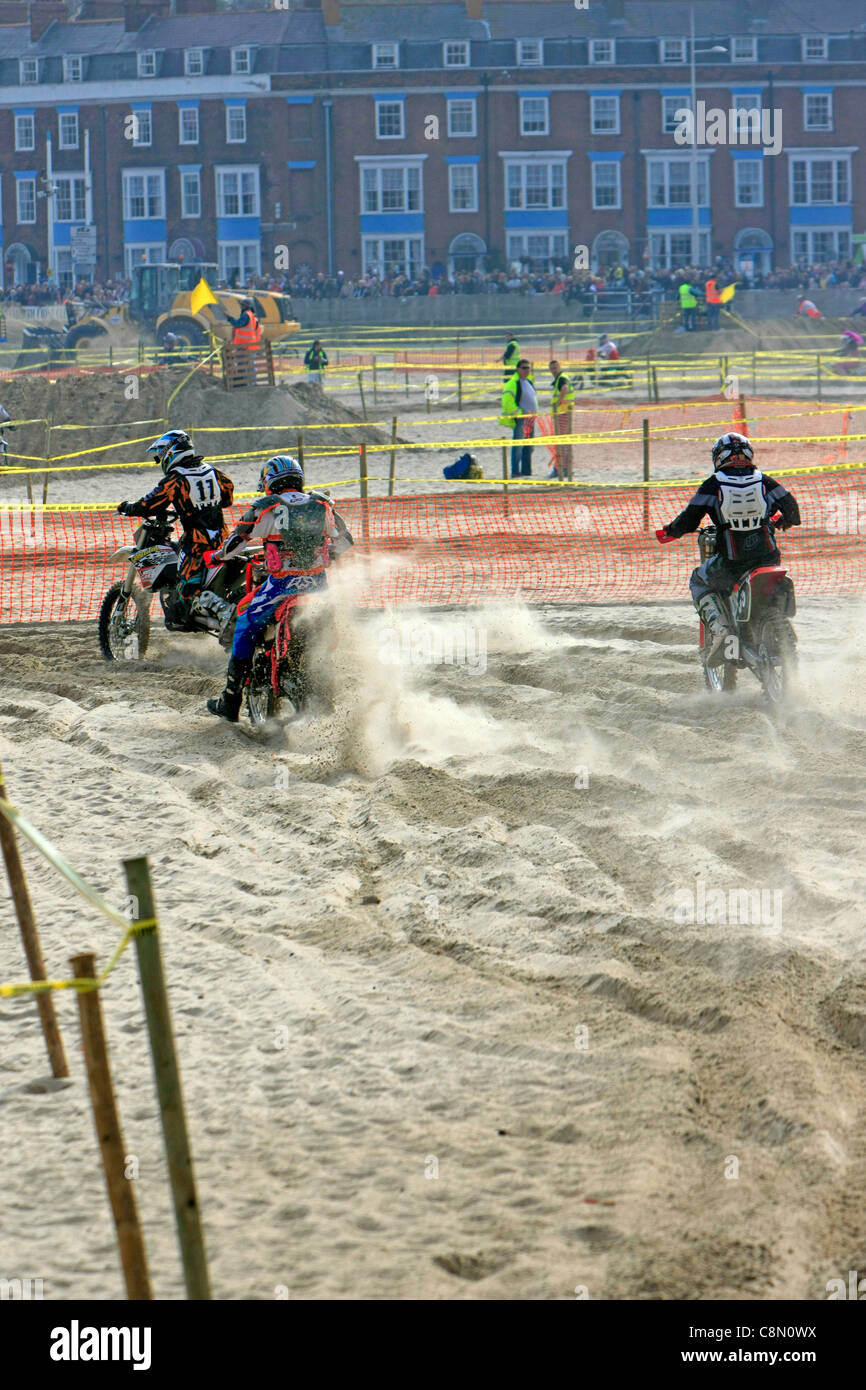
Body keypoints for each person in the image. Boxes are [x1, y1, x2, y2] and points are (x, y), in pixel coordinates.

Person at [206, 455, 353, 722]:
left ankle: (230, 699)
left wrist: (217, 557)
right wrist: (328, 552)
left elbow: (235, 542)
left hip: (280, 587)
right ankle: (324, 687)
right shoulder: (322, 504)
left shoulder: (266, 506)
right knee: (327, 632)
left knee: (245, 623)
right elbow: (344, 541)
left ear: (269, 482)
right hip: (319, 589)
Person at [655, 432, 801, 665]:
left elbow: (689, 520)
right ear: (749, 454)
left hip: (732, 563)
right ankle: (773, 629)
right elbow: (792, 509)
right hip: (768, 559)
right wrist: (784, 521)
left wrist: (670, 531)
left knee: (699, 580)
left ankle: (722, 630)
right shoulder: (765, 480)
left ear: (719, 457)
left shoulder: (713, 485)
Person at [117, 431, 234, 629]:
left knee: (186, 587)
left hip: (197, 542)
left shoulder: (176, 479)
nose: (161, 460)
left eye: (161, 455)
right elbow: (227, 498)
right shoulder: (214, 472)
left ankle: (219, 611)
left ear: (170, 452)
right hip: (223, 538)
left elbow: (149, 504)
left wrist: (127, 507)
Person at [500, 359, 537, 477]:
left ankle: (526, 471)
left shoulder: (529, 382)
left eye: (528, 368)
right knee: (518, 446)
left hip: (530, 419)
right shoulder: (513, 383)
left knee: (529, 447)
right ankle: (515, 472)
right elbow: (507, 401)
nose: (526, 370)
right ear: (518, 369)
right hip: (521, 419)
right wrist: (518, 413)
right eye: (524, 368)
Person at [548, 359, 575, 479]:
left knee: (561, 443)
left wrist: (558, 403)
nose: (554, 370)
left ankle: (562, 469)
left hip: (562, 413)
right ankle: (565, 468)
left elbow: (564, 388)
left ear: (559, 367)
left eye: (555, 367)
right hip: (565, 413)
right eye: (552, 368)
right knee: (564, 442)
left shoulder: (561, 378)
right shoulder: (561, 377)